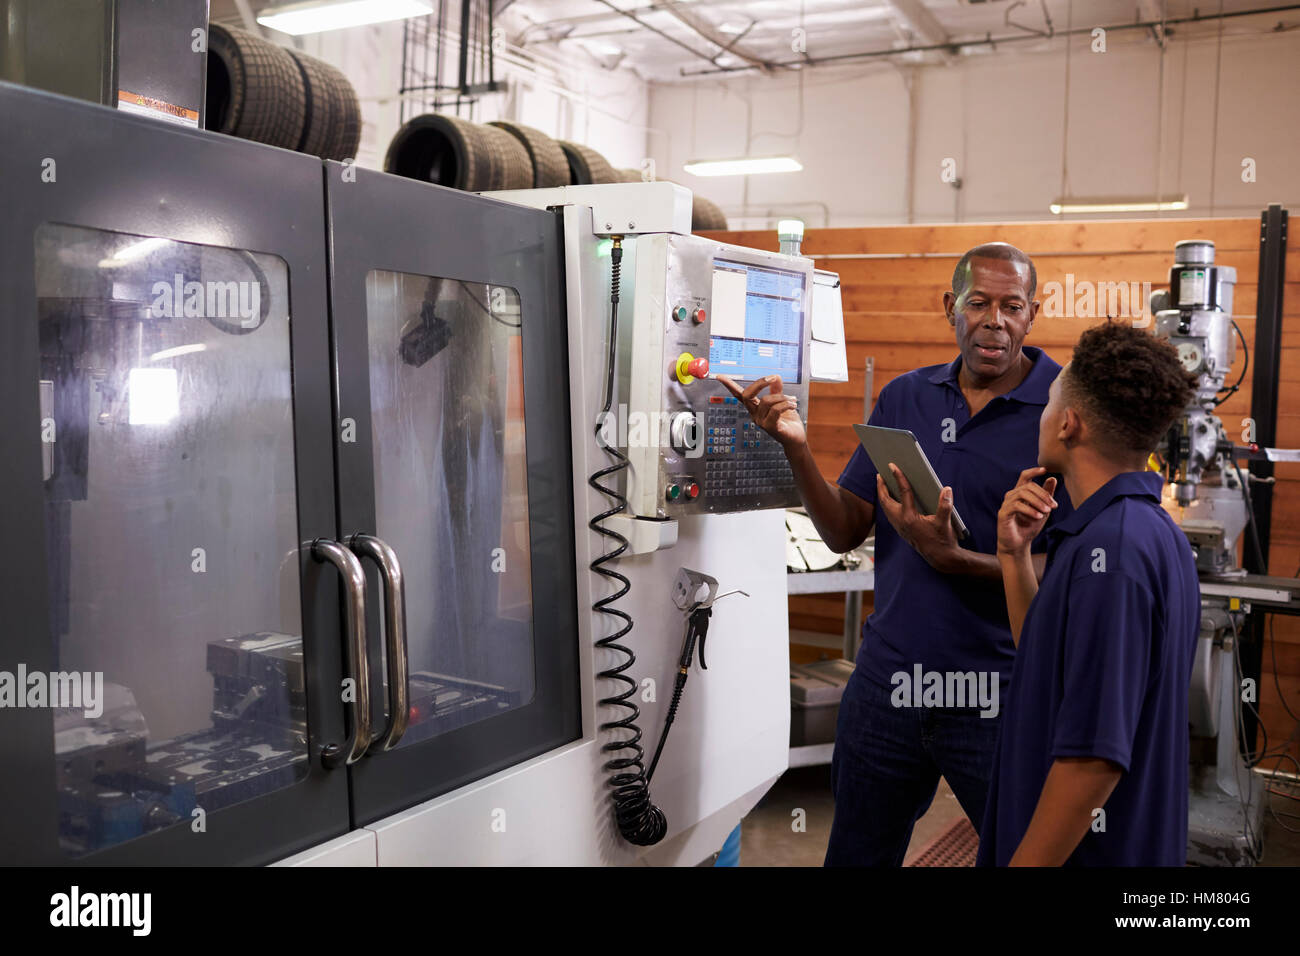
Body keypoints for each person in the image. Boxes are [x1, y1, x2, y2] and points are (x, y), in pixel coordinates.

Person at [718, 242, 1073, 866]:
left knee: (1024, 855)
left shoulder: (1062, 410)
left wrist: (958, 559)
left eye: (1012, 306)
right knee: (858, 855)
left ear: (1032, 313)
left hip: (999, 690)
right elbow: (842, 531)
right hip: (889, 685)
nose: (994, 320)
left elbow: (1071, 567)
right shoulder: (906, 398)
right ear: (950, 308)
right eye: (978, 302)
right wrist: (796, 449)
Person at [981, 321, 1200, 866]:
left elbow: (1092, 760)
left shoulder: (1115, 555)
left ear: (1069, 424)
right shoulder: (1136, 531)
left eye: (1050, 403)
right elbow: (1053, 663)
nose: (1044, 415)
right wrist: (1013, 558)